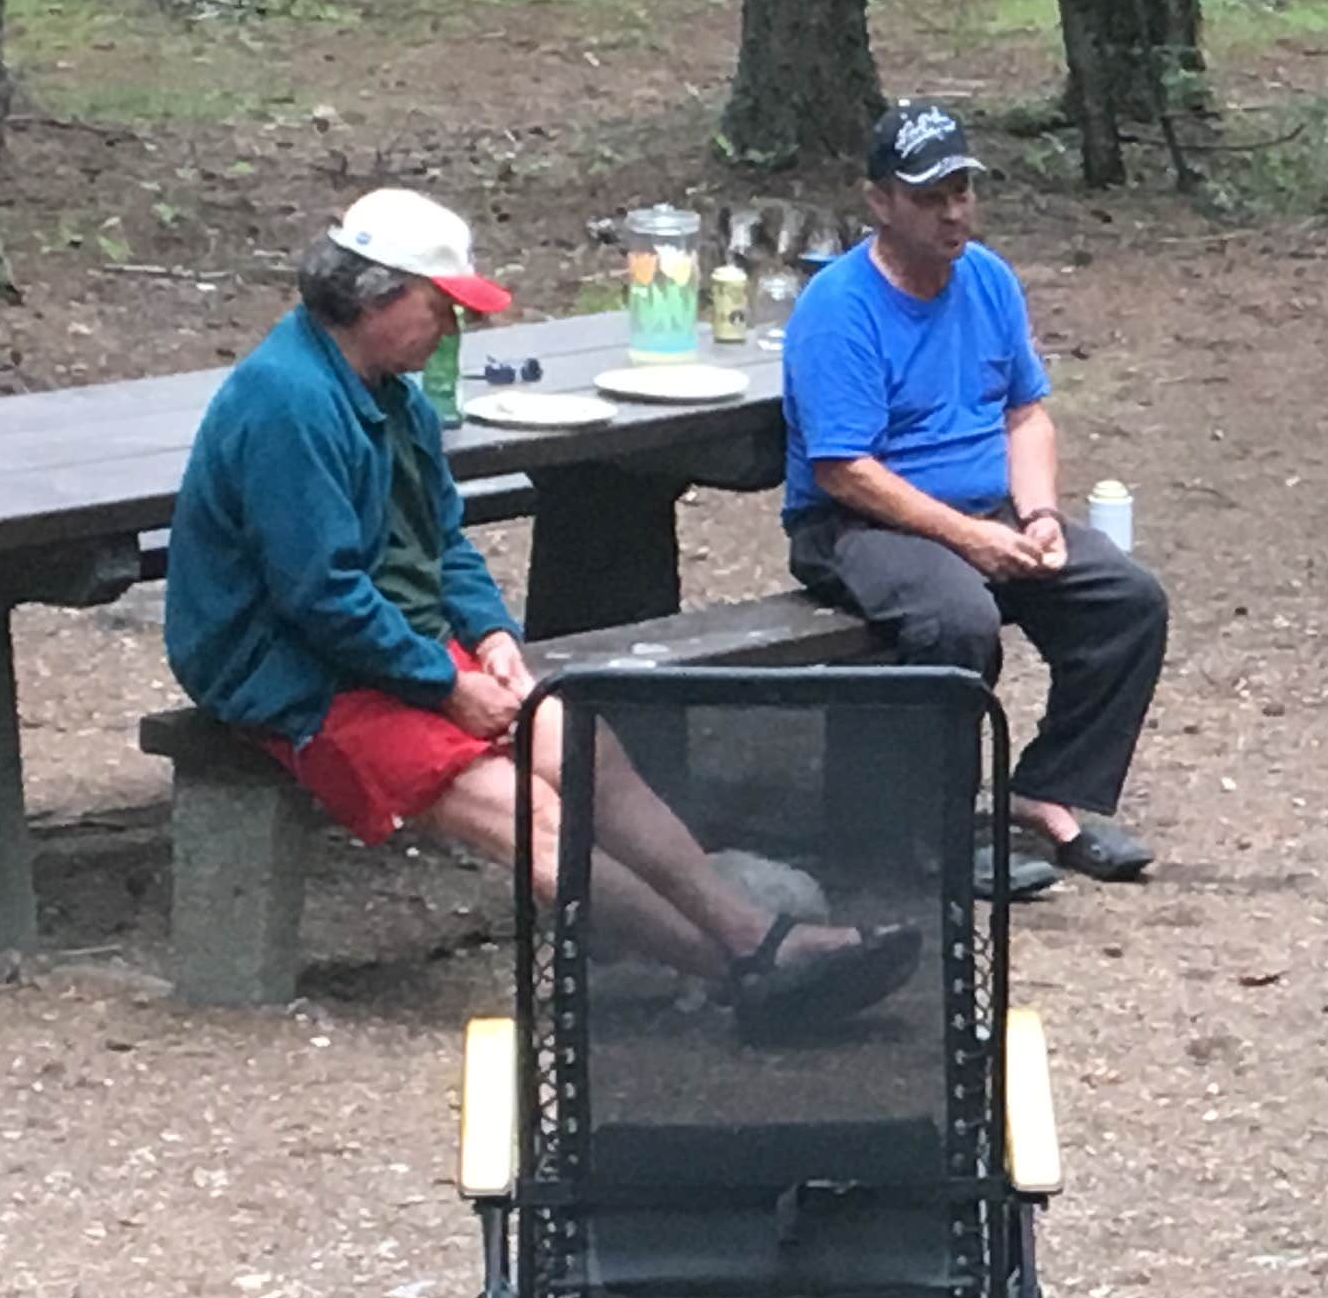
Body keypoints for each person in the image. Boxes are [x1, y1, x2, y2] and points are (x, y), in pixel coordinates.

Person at [165, 190, 916, 1040]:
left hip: (386, 640)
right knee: (535, 815)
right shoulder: (288, 403)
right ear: (374, 297)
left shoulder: (393, 392)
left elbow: (444, 543)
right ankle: (745, 969)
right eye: (439, 308)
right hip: (290, 670)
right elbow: (318, 596)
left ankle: (755, 935)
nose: (451, 331)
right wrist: (445, 687)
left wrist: (490, 641)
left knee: (580, 743)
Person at [781, 100, 1172, 900]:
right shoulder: (840, 308)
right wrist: (968, 538)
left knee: (1125, 599)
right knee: (957, 618)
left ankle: (1046, 789)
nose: (953, 210)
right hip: (859, 520)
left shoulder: (987, 280)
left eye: (962, 189)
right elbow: (844, 468)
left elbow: (1025, 411)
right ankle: (928, 832)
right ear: (880, 201)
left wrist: (1034, 516)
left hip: (981, 508)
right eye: (930, 195)